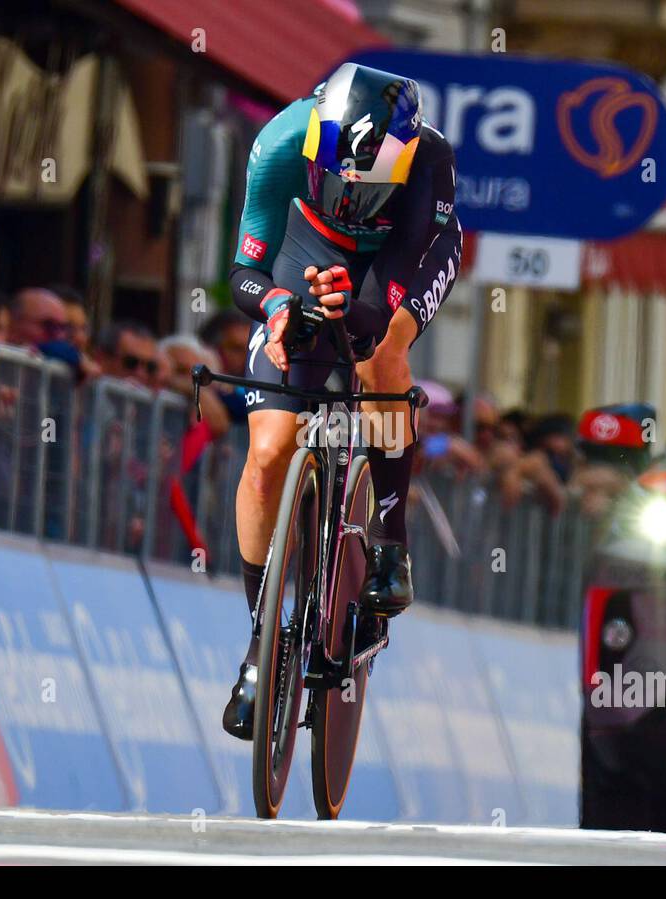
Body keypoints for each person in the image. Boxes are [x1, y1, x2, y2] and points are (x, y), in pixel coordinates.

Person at [221, 62, 462, 739]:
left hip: (396, 258)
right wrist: (276, 308)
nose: (347, 195)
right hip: (304, 252)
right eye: (334, 180)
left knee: (382, 353)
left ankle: (390, 541)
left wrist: (356, 319)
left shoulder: (428, 161)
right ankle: (259, 646)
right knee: (268, 454)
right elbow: (243, 270)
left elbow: (390, 289)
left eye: (364, 187)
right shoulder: (277, 144)